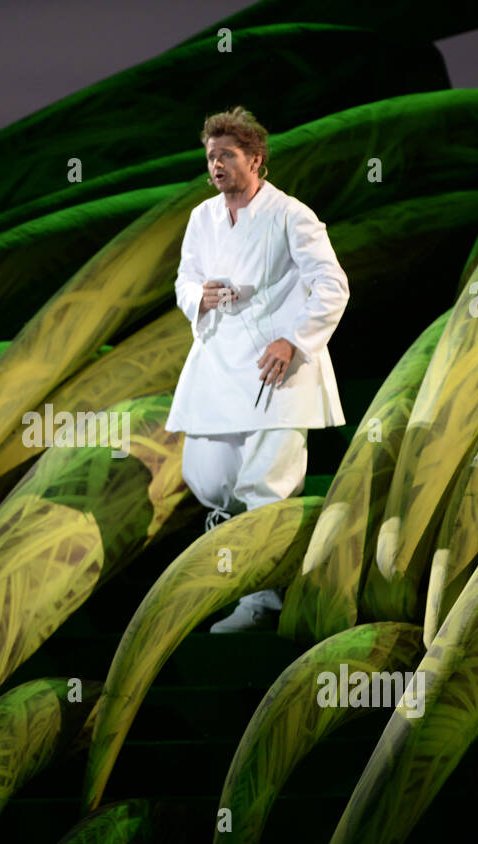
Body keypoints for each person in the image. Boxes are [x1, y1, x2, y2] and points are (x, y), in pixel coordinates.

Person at [164, 106, 350, 632]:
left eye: (227, 155)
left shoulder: (292, 214)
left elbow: (333, 285)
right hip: (218, 363)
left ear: (256, 159)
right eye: (210, 156)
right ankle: (237, 568)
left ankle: (263, 598)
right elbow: (183, 280)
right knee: (207, 476)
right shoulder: (202, 217)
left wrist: (294, 341)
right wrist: (198, 296)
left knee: (265, 485)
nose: (216, 165)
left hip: (276, 370)